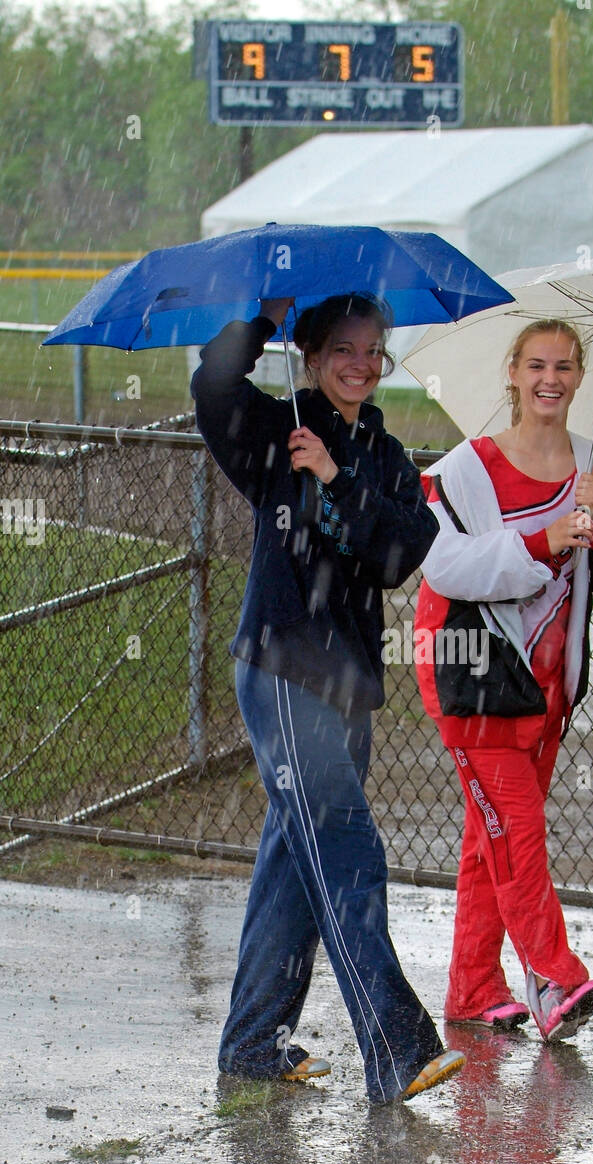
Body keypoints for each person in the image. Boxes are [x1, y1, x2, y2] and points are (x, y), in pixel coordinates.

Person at [191, 292, 465, 1103]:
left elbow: (397, 553)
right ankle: (396, 1044)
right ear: (311, 355)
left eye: (372, 350)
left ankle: (252, 1042)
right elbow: (210, 387)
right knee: (344, 843)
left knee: (292, 859)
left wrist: (336, 476)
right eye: (343, 348)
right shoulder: (276, 432)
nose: (360, 363)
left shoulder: (380, 452)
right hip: (281, 669)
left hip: (350, 686)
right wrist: (262, 316)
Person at [414, 319, 593, 1042]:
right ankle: (555, 978)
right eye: (535, 365)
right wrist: (543, 540)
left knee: (488, 837)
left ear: (581, 376)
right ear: (514, 374)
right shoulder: (468, 468)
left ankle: (471, 988)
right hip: (472, 675)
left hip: (547, 692)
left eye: (563, 366)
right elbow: (443, 565)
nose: (549, 379)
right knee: (517, 831)